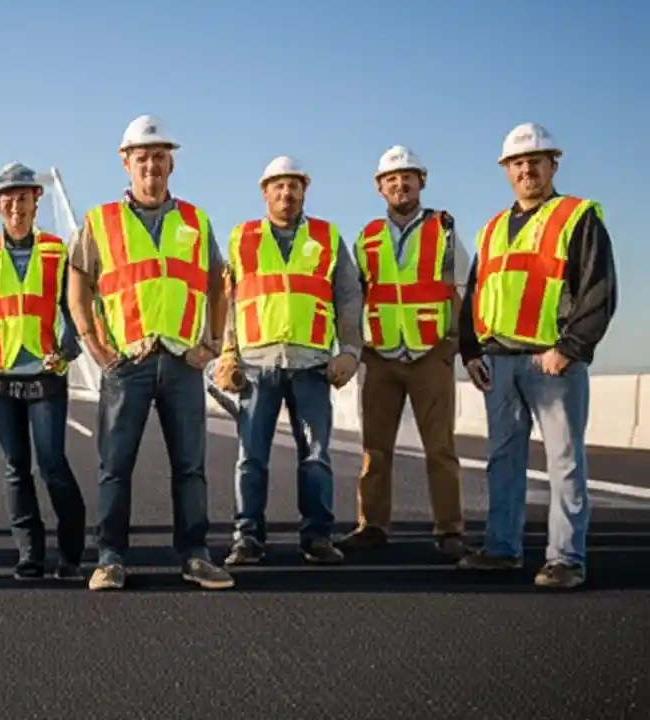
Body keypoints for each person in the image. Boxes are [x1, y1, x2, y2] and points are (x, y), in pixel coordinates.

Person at [67, 114, 235, 591]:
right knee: (115, 466)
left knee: (190, 467)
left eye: (160, 157)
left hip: (182, 362)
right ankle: (111, 557)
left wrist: (214, 343)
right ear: (125, 162)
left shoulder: (196, 221)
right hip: (127, 364)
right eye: (142, 158)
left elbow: (217, 285)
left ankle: (196, 555)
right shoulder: (100, 222)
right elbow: (77, 285)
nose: (151, 167)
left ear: (171, 164)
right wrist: (96, 348)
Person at [457, 122, 617, 589]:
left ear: (552, 165)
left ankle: (566, 557)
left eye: (535, 161)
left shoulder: (576, 216)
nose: (526, 169)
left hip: (552, 362)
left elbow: (598, 289)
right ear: (507, 171)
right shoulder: (491, 230)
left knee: (564, 460)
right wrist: (471, 351)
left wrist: (569, 348)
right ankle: (502, 549)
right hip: (499, 362)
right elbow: (475, 295)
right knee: (502, 460)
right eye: (517, 163)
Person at [213, 156, 363, 567]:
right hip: (256, 368)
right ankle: (248, 537)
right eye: (278, 186)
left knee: (315, 455)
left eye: (294, 186)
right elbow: (229, 302)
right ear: (265, 192)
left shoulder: (327, 237)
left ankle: (316, 537)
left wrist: (350, 351)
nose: (286, 193)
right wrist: (227, 353)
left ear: (304, 191)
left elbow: (348, 298)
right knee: (251, 456)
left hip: (312, 365)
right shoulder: (241, 238)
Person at [0, 161, 87, 580]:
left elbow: (75, 306)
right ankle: (30, 552)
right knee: (15, 466)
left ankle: (71, 552)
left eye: (24, 199)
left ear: (37, 201)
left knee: (52, 463)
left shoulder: (55, 251)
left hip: (45, 373)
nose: (16, 207)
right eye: (8, 200)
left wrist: (68, 348)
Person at [335, 146, 466, 559]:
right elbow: (353, 297)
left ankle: (449, 529)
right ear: (379, 187)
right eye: (391, 179)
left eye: (407, 177)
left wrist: (454, 344)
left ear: (421, 182)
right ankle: (371, 524)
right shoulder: (368, 237)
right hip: (380, 355)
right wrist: (354, 349)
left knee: (440, 448)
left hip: (430, 352)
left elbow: (461, 286)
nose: (399, 184)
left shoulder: (443, 228)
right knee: (375, 449)